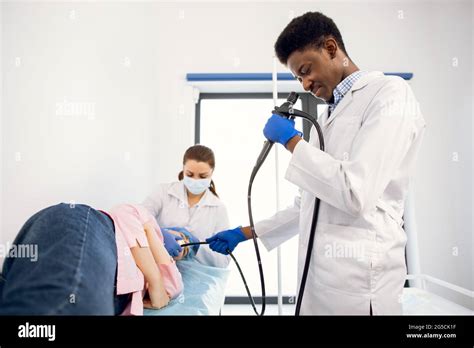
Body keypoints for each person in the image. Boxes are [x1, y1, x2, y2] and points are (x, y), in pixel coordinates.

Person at [206, 11, 426, 315]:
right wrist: (244, 233)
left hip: (362, 288)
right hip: (320, 284)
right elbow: (307, 205)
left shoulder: (390, 93)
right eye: (298, 77)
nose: (305, 83)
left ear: (331, 48)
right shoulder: (327, 118)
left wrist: (291, 141)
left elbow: (355, 192)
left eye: (306, 69)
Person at [143, 144, 230, 269]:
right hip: (160, 268)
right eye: (189, 174)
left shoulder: (218, 208)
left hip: (199, 281)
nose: (195, 180)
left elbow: (224, 260)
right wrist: (160, 234)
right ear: (183, 169)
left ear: (212, 173)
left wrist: (196, 246)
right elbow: (138, 220)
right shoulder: (162, 192)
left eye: (202, 176)